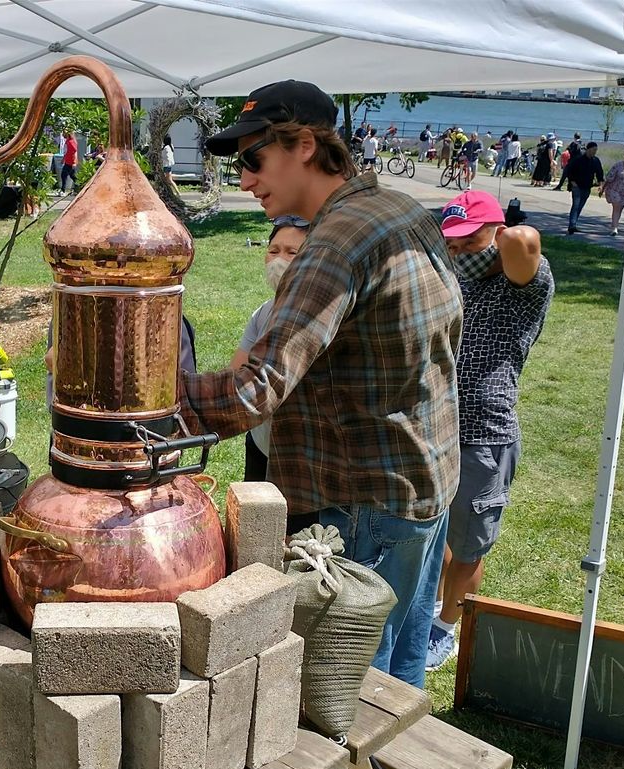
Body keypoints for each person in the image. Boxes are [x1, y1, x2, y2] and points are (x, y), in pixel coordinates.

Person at [181, 80, 463, 689]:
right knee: (401, 664)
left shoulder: (336, 240)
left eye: (254, 158)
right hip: (424, 478)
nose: (245, 179)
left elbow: (254, 390)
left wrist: (148, 396)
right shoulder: (400, 208)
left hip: (364, 498)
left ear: (305, 144)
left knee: (349, 684)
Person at [424, 191, 554, 670]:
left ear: (495, 235)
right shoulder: (458, 280)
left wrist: (496, 237)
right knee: (438, 534)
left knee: (468, 544)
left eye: (467, 240)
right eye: (451, 243)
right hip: (438, 428)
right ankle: (431, 609)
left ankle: (447, 627)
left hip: (485, 433)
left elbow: (524, 240)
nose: (457, 252)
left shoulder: (524, 286)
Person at [230, 215, 311, 481]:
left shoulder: (319, 317)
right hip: (261, 443)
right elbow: (236, 375)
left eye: (292, 252)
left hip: (303, 458)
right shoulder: (263, 313)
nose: (278, 260)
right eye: (273, 251)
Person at [563, 141, 604, 233]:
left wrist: (601, 185)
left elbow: (599, 174)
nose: (594, 152)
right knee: (576, 205)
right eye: (593, 149)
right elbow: (569, 170)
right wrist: (572, 182)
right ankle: (572, 225)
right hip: (576, 186)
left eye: (596, 150)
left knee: (580, 206)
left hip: (587, 186)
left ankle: (574, 222)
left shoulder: (596, 161)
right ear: (588, 149)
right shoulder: (578, 159)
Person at [599, 146, 624, 235]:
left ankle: (614, 224)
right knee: (616, 208)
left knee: (619, 210)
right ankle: (614, 228)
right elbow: (609, 177)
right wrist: (603, 188)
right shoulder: (618, 165)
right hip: (615, 190)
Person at [60, 130, 78, 195]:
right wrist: (63, 159)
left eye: (64, 133)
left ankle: (63, 190)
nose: (63, 134)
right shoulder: (67, 141)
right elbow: (66, 151)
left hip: (70, 162)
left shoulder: (71, 142)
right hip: (67, 161)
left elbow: (74, 151)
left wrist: (74, 162)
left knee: (65, 175)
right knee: (71, 176)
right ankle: (78, 188)